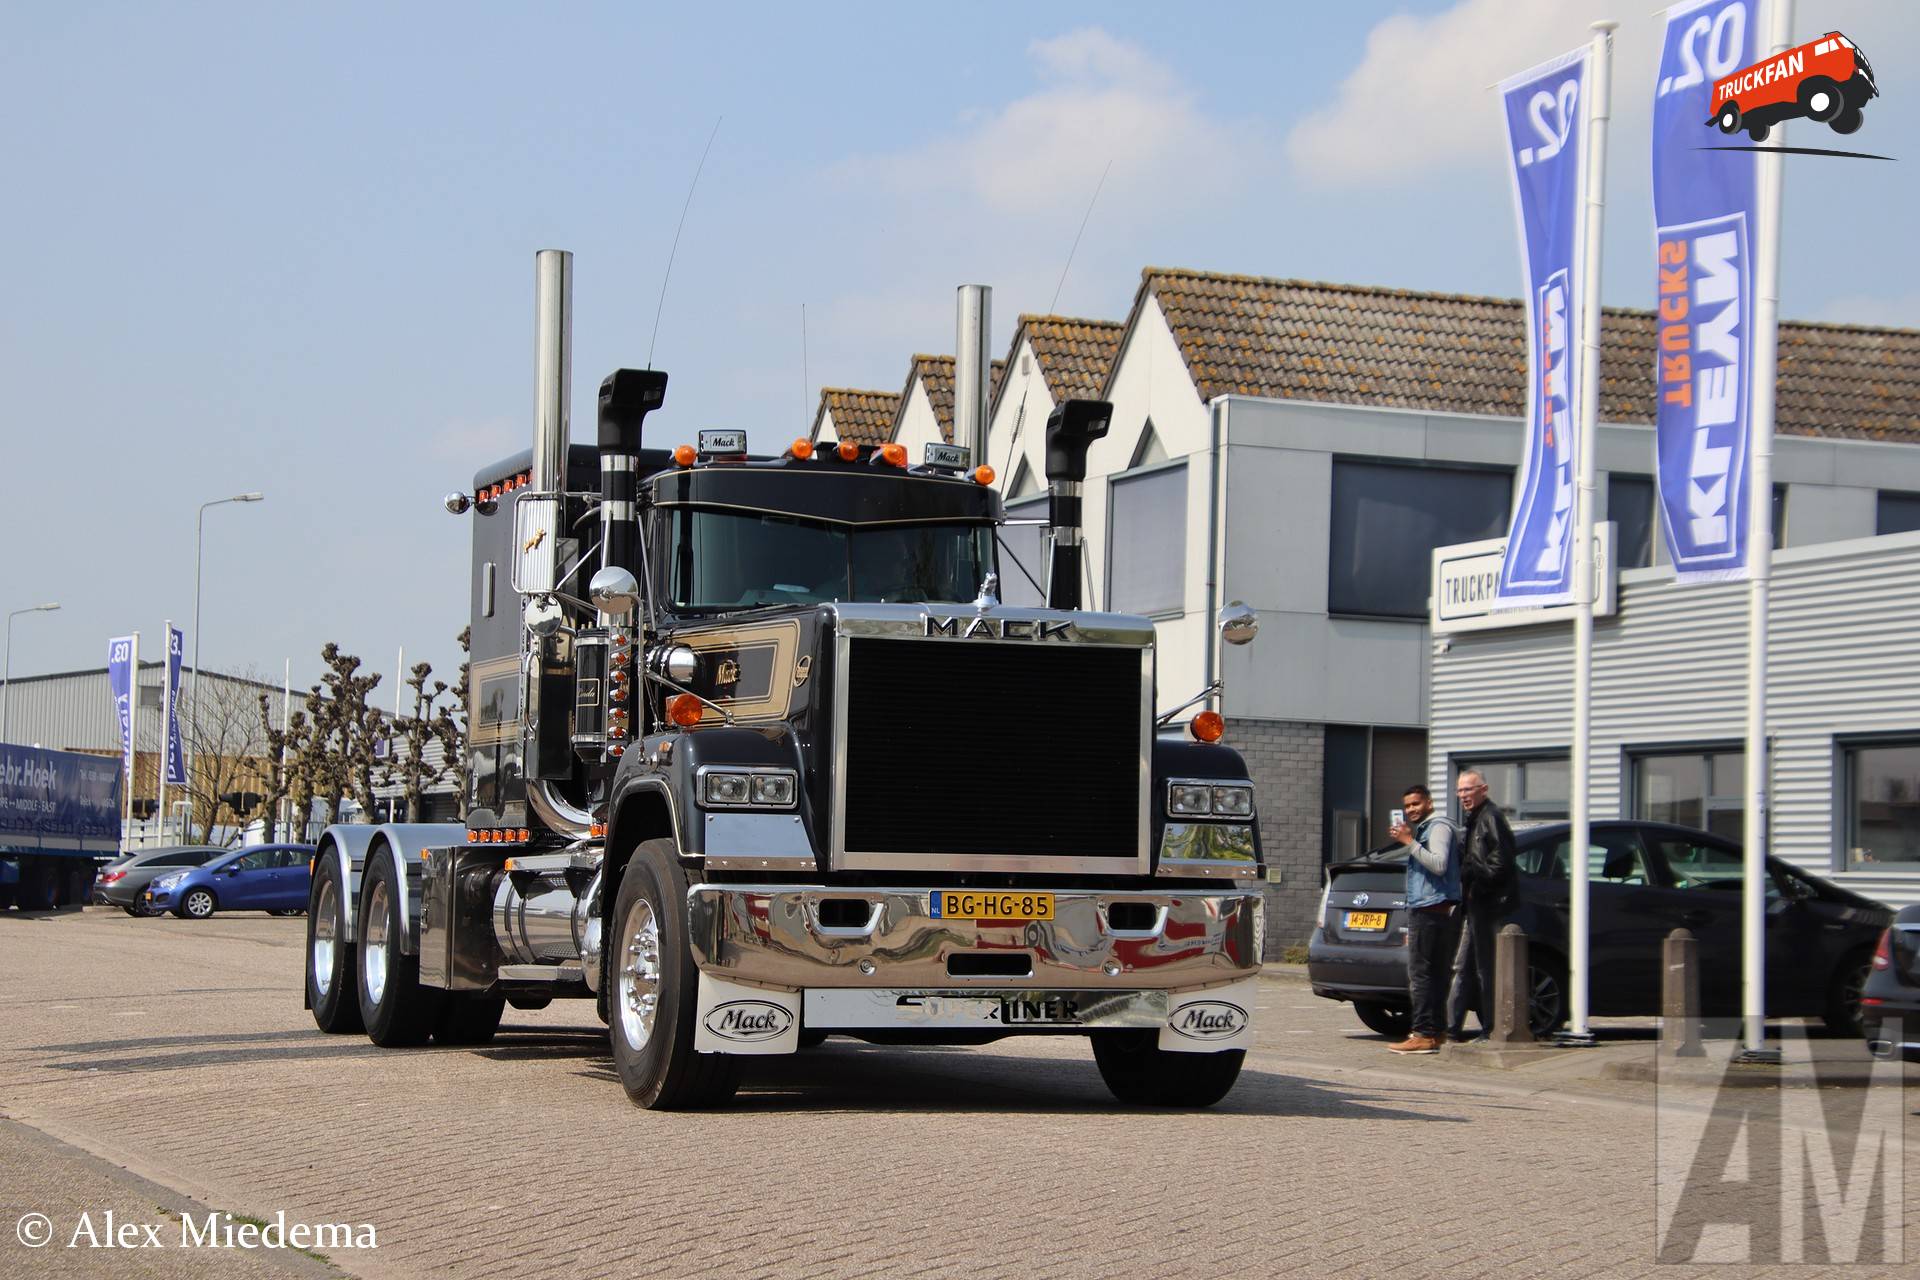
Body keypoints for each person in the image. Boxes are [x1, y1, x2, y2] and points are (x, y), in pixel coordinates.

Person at [1447, 769, 1519, 1042]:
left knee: (1484, 968)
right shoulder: (1474, 819)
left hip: (1487, 905)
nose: (1463, 795)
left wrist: (1478, 878)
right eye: (1460, 790)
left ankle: (1490, 1028)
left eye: (1468, 789)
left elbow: (1502, 861)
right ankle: (1451, 1028)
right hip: (1474, 905)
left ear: (1483, 789)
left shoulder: (1491, 817)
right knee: (1463, 966)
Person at [1387, 783, 1458, 1055]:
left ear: (1429, 802)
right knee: (1435, 974)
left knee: (1421, 975)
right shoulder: (1429, 828)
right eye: (1407, 806)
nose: (1411, 810)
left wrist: (1408, 842)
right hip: (1431, 908)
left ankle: (1423, 1034)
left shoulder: (1438, 827)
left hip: (1430, 909)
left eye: (1416, 804)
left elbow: (1439, 864)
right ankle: (1436, 1032)